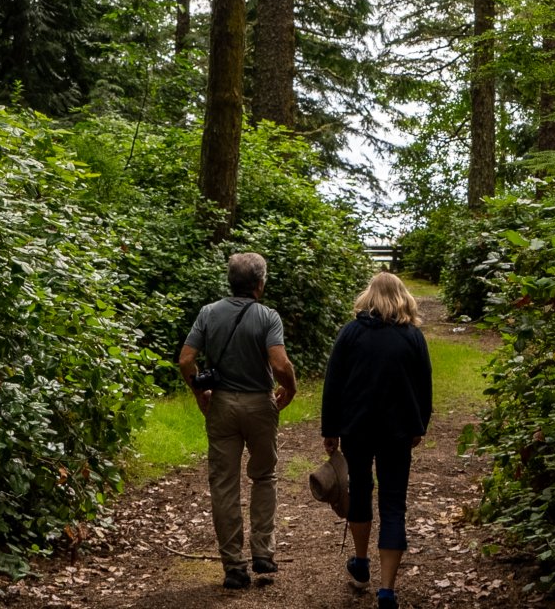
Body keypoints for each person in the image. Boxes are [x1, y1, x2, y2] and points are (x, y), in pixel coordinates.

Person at [179, 252, 297, 590]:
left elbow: (186, 359)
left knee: (224, 485)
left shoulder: (207, 313)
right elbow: (279, 364)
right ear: (259, 284)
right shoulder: (267, 316)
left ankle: (234, 566)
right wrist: (290, 387)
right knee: (264, 475)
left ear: (231, 281)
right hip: (260, 405)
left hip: (222, 407)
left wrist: (200, 392)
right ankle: (263, 552)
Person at [321, 272, 432, 606]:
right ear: (403, 297)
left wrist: (331, 430)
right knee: (394, 504)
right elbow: (424, 386)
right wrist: (419, 426)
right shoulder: (412, 336)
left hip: (356, 428)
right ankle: (386, 589)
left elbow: (333, 383)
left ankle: (361, 562)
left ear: (368, 296)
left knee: (360, 492)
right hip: (398, 430)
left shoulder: (351, 333)